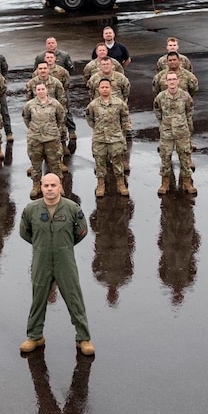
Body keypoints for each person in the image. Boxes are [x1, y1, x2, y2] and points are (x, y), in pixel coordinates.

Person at [19, 173, 94, 356]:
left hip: (65, 260)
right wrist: (41, 246)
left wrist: (64, 246)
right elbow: (25, 232)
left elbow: (82, 231)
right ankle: (35, 336)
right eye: (46, 185)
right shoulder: (31, 209)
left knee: (73, 297)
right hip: (41, 260)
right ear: (41, 187)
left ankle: (83, 338)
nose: (50, 189)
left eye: (54, 185)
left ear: (60, 187)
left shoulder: (72, 208)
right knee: (38, 298)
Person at [85, 78, 131, 197]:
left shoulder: (119, 103)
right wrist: (98, 129)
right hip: (99, 139)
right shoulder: (93, 105)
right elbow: (90, 119)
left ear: (111, 88)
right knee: (100, 162)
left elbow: (125, 119)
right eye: (102, 87)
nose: (104, 89)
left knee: (117, 161)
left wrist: (119, 132)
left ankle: (121, 184)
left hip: (115, 137)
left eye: (107, 87)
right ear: (98, 89)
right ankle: (101, 185)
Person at [22, 81, 66, 198]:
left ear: (47, 90)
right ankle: (36, 185)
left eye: (43, 89)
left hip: (51, 138)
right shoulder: (30, 105)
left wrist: (52, 129)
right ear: (35, 91)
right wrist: (35, 129)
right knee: (36, 164)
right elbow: (26, 118)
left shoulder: (55, 104)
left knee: (55, 163)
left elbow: (60, 118)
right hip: (35, 139)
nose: (41, 92)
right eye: (38, 90)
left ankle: (59, 185)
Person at [154, 71, 196, 195]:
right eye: (169, 80)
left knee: (185, 157)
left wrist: (186, 125)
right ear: (166, 82)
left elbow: (189, 110)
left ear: (178, 81)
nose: (172, 82)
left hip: (182, 131)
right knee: (165, 158)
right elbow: (157, 111)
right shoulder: (161, 97)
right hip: (166, 132)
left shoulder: (185, 96)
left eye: (174, 79)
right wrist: (164, 124)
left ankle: (187, 183)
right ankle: (165, 183)